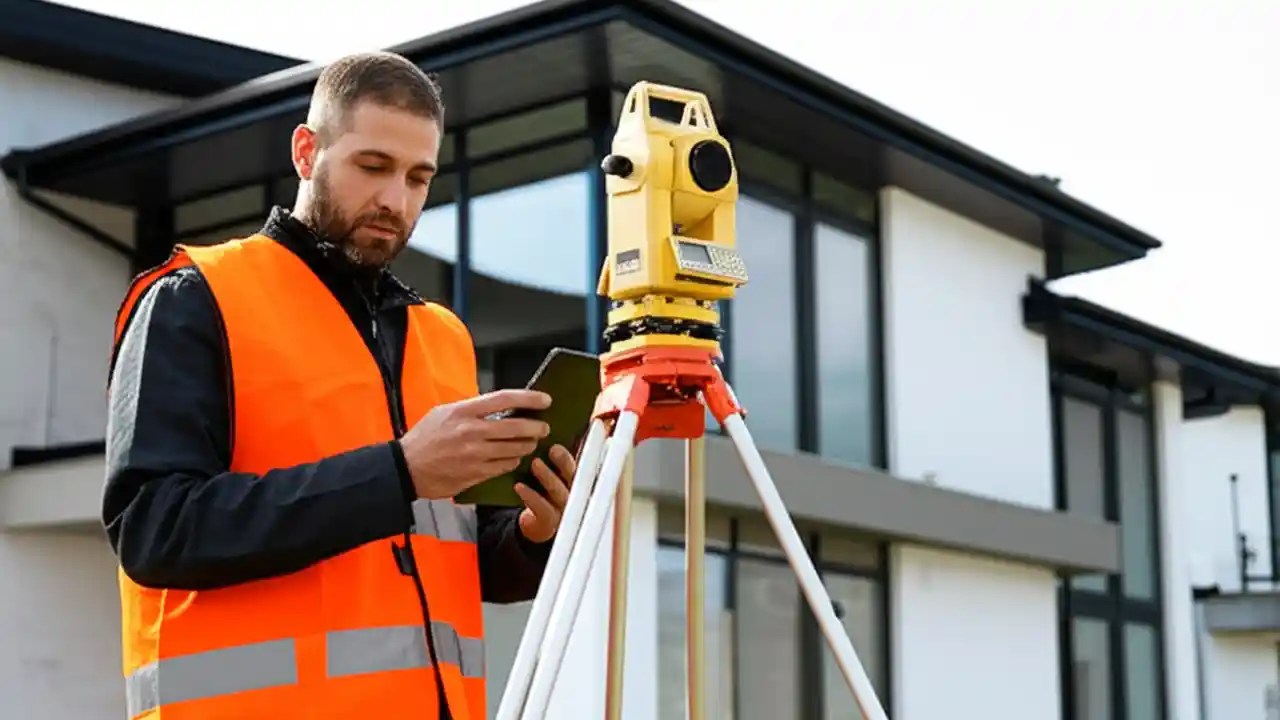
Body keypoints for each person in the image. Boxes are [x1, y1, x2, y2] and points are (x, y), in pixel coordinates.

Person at [102, 51, 577, 720]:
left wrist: (531, 535)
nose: (396, 200)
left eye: (419, 177)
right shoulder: (195, 298)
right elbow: (155, 530)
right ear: (306, 150)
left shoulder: (441, 337)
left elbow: (452, 566)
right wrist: (401, 471)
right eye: (373, 166)